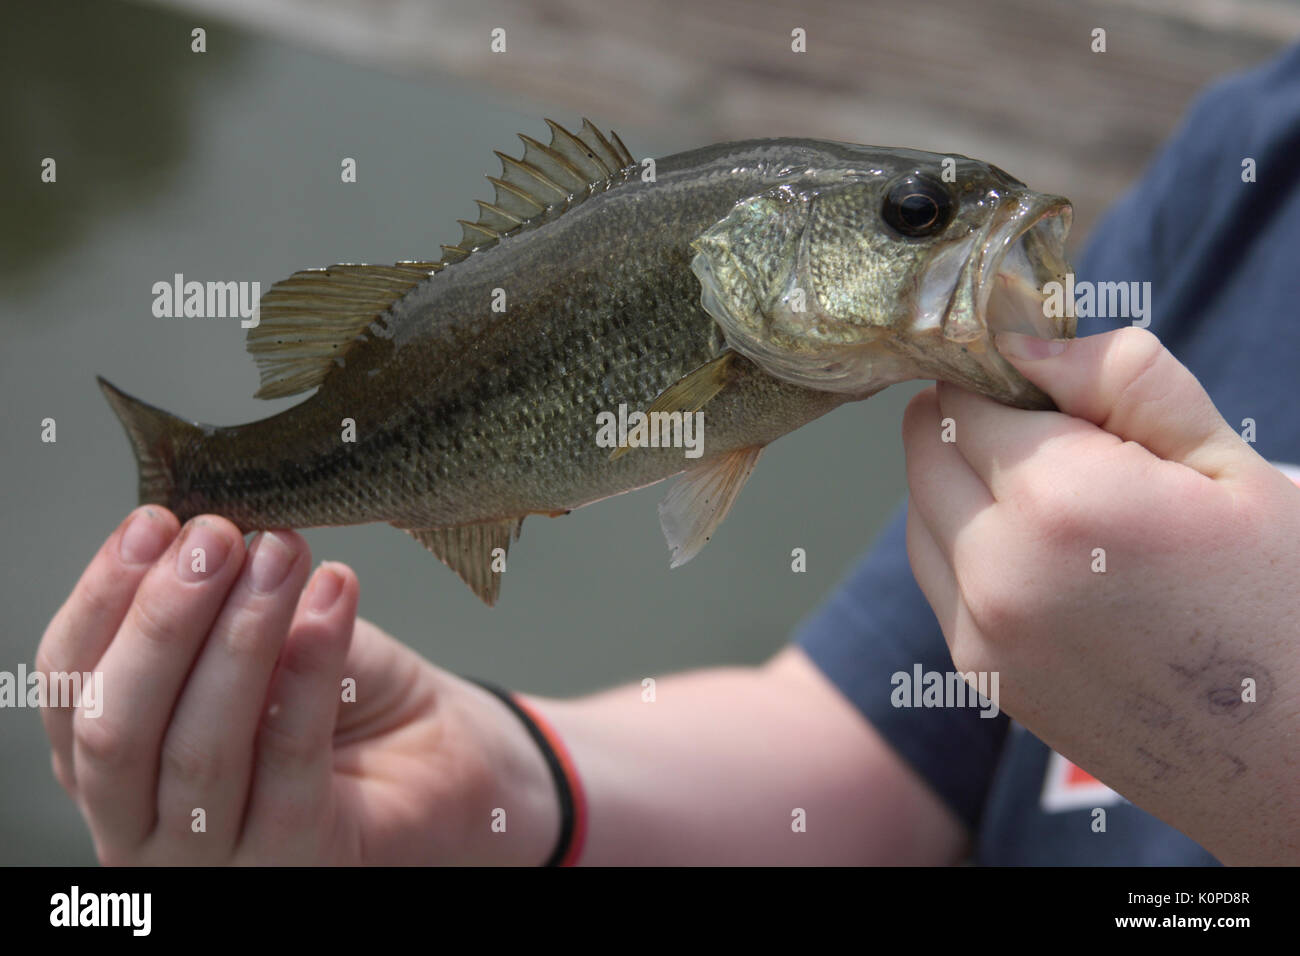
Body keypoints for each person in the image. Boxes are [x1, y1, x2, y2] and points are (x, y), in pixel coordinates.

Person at [37, 46, 1300, 866]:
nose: (968, 236)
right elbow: (876, 751)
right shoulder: (1244, 173)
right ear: (753, 263)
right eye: (913, 216)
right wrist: (493, 791)